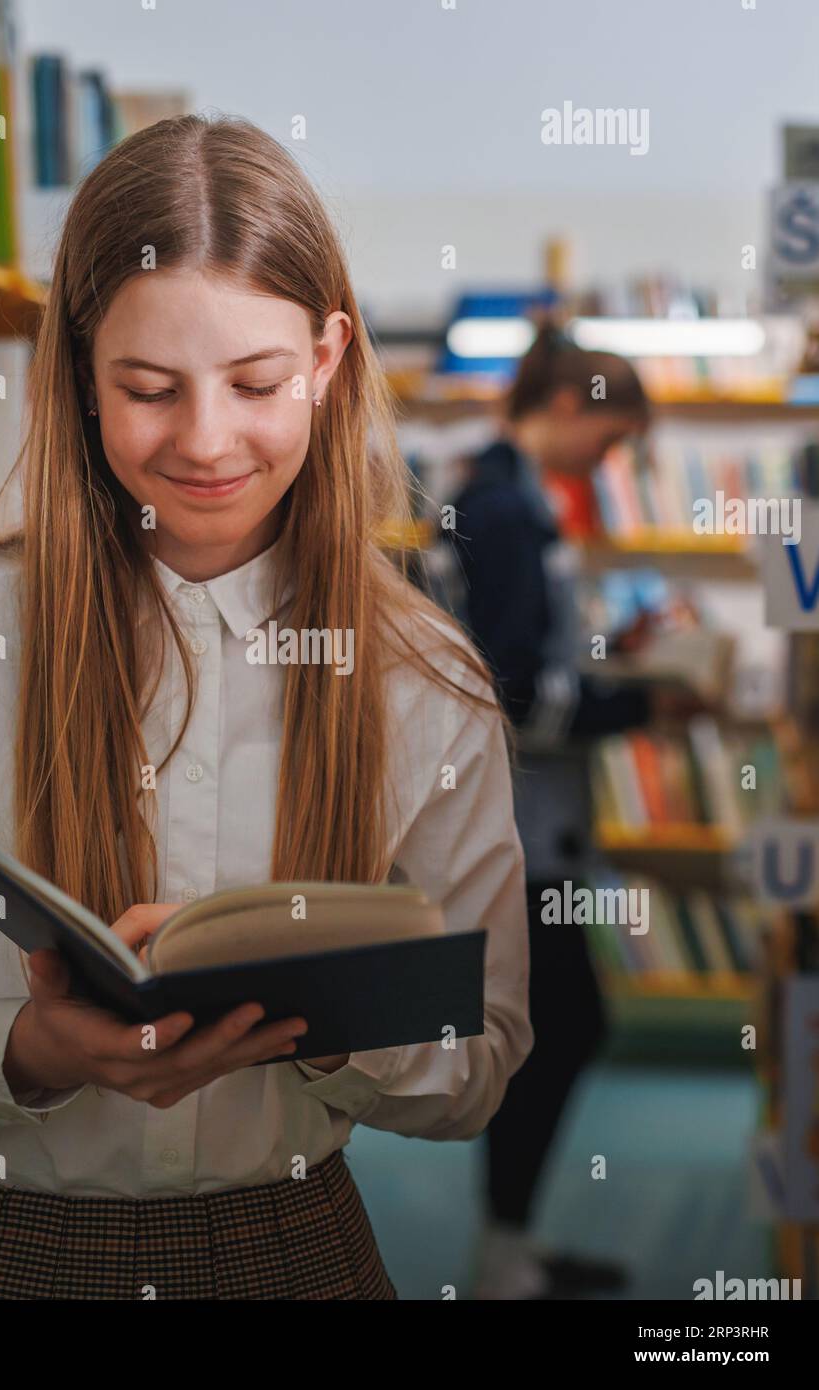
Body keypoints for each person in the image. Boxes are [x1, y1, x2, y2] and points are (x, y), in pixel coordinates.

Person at [0, 114, 531, 1301]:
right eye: (147, 388)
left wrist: (331, 1023)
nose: (205, 441)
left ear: (329, 361)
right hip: (5, 1254)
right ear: (79, 369)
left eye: (255, 383)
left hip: (297, 1255)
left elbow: (482, 1061)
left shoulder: (422, 672)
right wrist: (21, 1046)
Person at [445, 323, 652, 1300]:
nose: (605, 465)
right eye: (608, 443)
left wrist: (617, 652)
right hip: (517, 836)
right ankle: (503, 1253)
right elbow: (522, 692)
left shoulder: (499, 495)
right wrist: (648, 702)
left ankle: (508, 1245)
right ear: (567, 408)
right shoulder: (507, 510)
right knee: (557, 1028)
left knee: (549, 1027)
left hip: (527, 828)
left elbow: (530, 656)